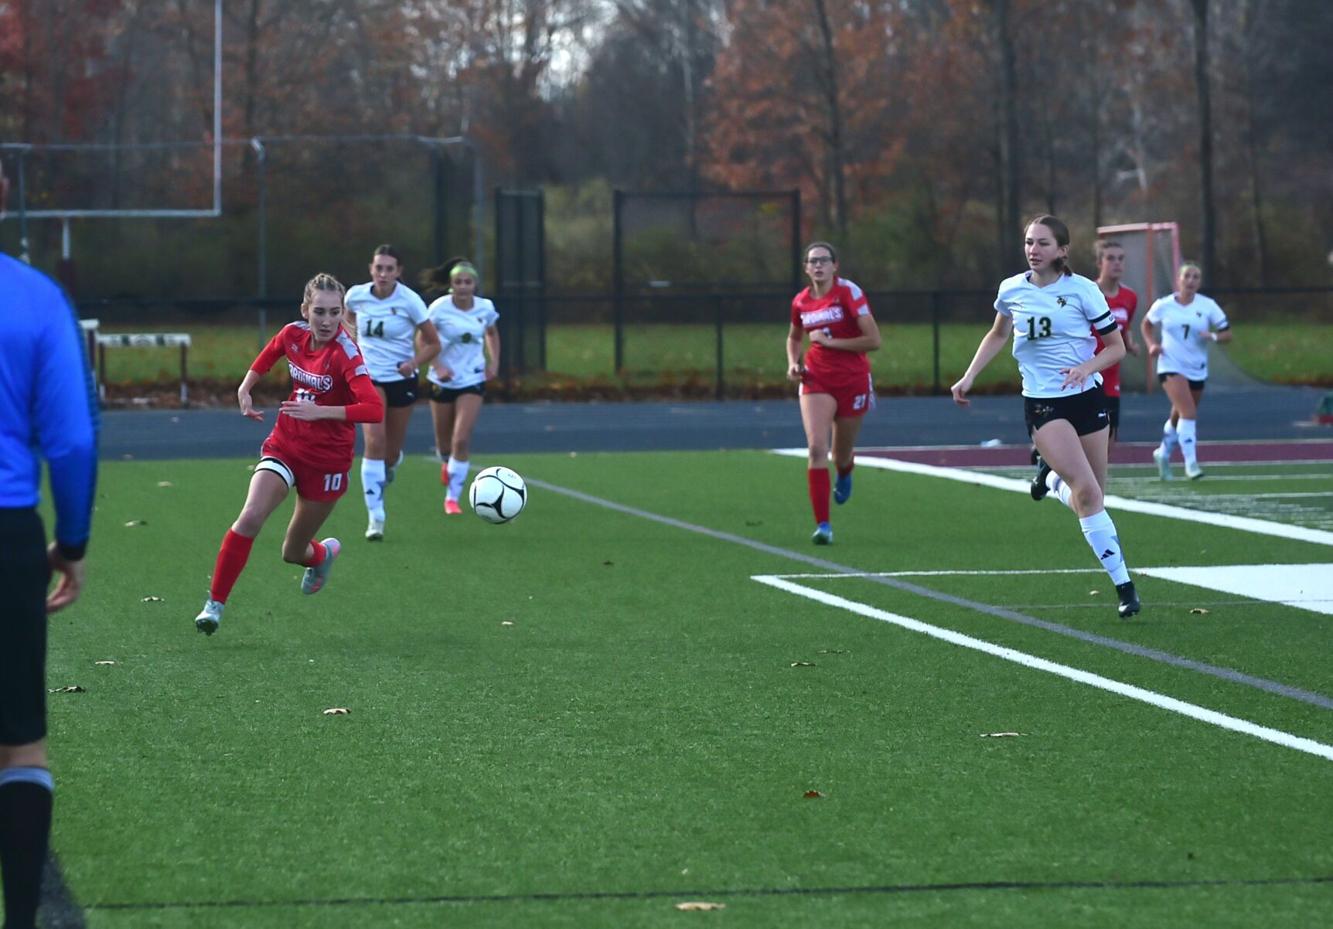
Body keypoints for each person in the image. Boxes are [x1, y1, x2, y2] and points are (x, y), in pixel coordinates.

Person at [951, 215, 1140, 619]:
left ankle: (1051, 480)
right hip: (1043, 402)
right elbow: (998, 333)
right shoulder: (1011, 289)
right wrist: (969, 376)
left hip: (1087, 398)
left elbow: (1116, 347)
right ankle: (1125, 586)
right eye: (1028, 242)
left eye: (1042, 243)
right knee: (1087, 493)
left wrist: (1086, 368)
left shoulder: (1083, 290)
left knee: (1093, 497)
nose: (1033, 250)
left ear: (1062, 250)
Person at [0, 153, 98, 929]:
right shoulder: (34, 298)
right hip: (7, 536)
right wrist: (71, 540)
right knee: (20, 743)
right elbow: (71, 440)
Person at [194, 273, 384, 635]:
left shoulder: (346, 354)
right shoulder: (293, 334)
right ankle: (214, 606)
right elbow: (270, 353)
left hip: (327, 461)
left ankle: (322, 555)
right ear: (305, 310)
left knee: (292, 552)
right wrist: (246, 386)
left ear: (342, 313)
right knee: (250, 516)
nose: (327, 321)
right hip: (286, 443)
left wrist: (321, 412)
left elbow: (373, 409)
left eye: (334, 312)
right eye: (319, 312)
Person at [785, 242, 881, 545]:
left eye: (824, 260)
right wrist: (793, 363)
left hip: (852, 379)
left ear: (834, 266)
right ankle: (823, 526)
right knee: (816, 449)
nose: (818, 265)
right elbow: (794, 337)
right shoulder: (801, 301)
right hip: (816, 379)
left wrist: (831, 343)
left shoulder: (848, 293)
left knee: (840, 454)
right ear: (805, 267)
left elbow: (873, 340)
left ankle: (845, 469)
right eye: (812, 261)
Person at [344, 245, 440, 541]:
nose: (383, 274)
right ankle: (376, 517)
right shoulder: (356, 296)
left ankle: (390, 463)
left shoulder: (410, 301)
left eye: (389, 269)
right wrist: (350, 348)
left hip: (401, 379)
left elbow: (433, 343)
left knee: (389, 452)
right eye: (379, 268)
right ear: (371, 269)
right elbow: (347, 323)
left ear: (399, 272)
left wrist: (413, 363)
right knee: (374, 441)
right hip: (368, 378)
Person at [419, 257, 500, 515]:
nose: (463, 286)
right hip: (442, 380)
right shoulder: (439, 308)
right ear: (451, 285)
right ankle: (446, 461)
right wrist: (438, 365)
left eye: (468, 282)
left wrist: (494, 362)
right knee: (444, 445)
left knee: (461, 439)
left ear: (475, 284)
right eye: (458, 282)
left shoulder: (485, 308)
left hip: (472, 378)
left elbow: (492, 333)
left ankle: (452, 498)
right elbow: (422, 339)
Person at [1140, 262, 1232, 481]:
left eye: (1195, 277)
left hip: (1197, 368)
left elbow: (1227, 333)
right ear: (1178, 279)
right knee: (1189, 413)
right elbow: (1146, 324)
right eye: (1187, 276)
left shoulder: (1207, 305)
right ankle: (1191, 464)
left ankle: (1163, 453)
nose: (1191, 281)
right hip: (1170, 365)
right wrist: (1152, 345)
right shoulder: (1164, 305)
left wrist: (1213, 336)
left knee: (1180, 413)